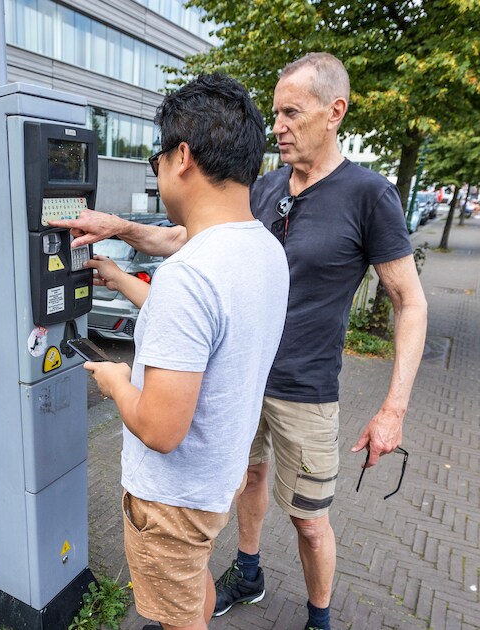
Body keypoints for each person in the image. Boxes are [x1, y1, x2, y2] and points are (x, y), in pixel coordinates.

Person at [53, 52, 428, 630]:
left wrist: (116, 380)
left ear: (335, 112)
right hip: (230, 413)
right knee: (231, 512)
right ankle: (247, 570)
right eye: (274, 114)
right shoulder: (263, 220)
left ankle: (318, 616)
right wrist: (124, 250)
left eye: (292, 112)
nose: (280, 125)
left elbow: (162, 423)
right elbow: (199, 286)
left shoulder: (368, 195)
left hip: (279, 403)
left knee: (304, 521)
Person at [81, 73, 290, 630]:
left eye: (155, 157)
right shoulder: (264, 249)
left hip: (170, 500)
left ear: (181, 156)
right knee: (193, 581)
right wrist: (120, 278)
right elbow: (204, 334)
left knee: (179, 621)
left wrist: (116, 381)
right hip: (217, 478)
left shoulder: (190, 273)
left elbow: (160, 428)